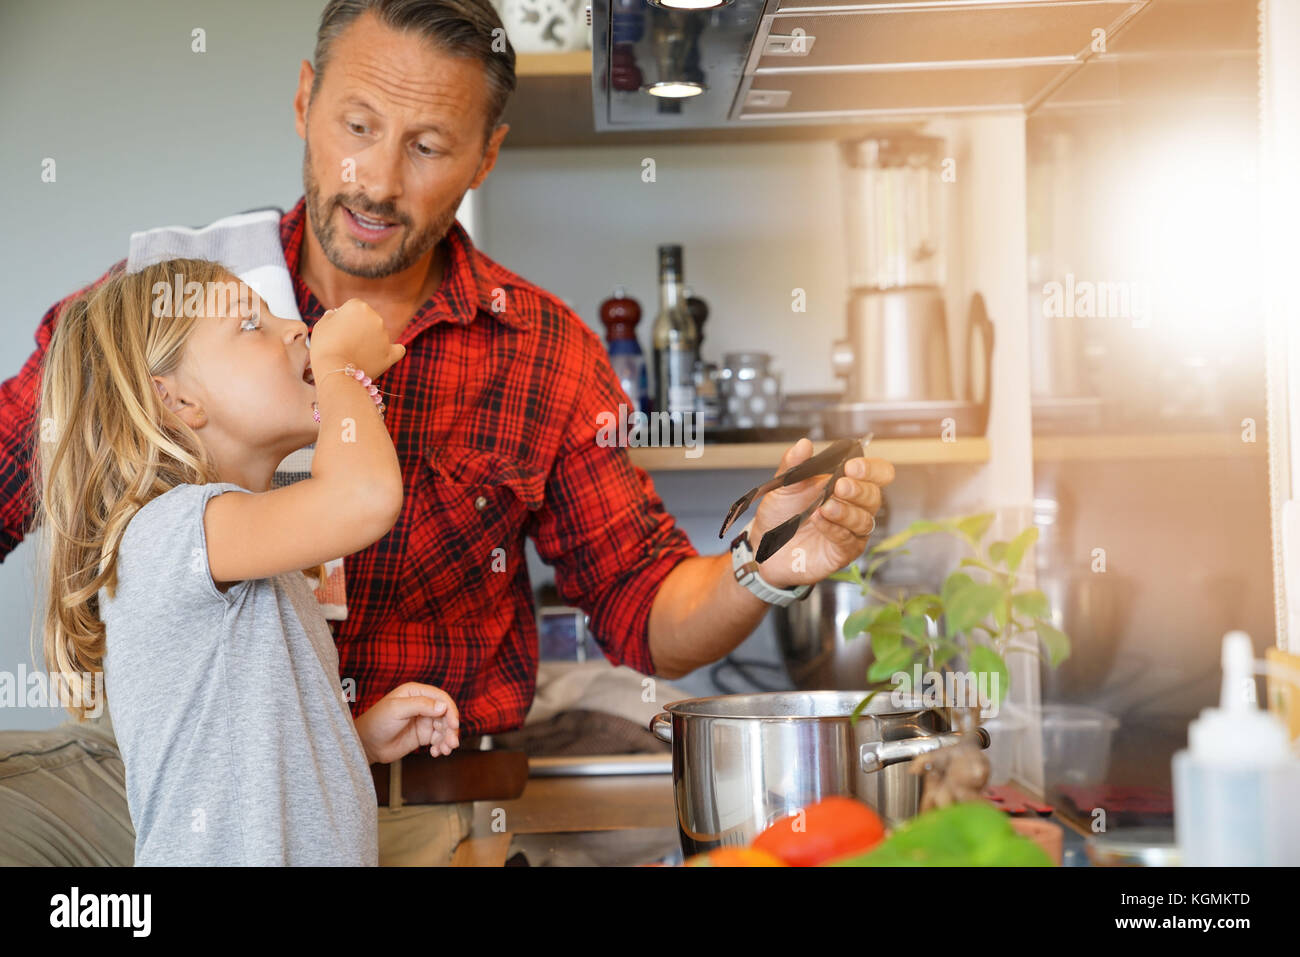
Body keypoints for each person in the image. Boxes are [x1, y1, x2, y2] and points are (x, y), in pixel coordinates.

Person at [0, 0, 893, 865]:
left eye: (427, 146)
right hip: (178, 805)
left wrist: (763, 566)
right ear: (305, 99)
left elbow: (642, 600)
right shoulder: (169, 309)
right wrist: (344, 365)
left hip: (405, 800)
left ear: (486, 156)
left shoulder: (543, 352)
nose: (379, 181)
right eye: (357, 126)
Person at [34, 257, 464, 865]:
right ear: (177, 398)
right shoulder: (174, 531)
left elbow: (248, 756)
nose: (297, 328)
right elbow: (364, 499)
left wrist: (352, 741)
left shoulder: (253, 552)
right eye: (249, 325)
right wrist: (341, 369)